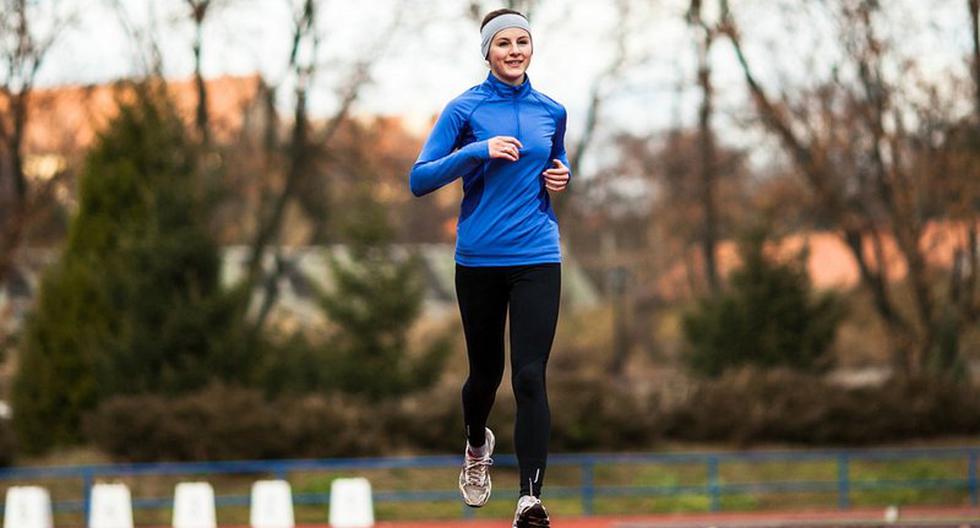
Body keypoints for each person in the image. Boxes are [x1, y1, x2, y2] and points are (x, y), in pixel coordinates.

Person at [409, 7, 570, 528]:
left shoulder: (553, 110)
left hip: (538, 256)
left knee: (529, 376)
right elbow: (420, 178)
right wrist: (477, 151)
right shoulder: (464, 110)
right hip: (478, 258)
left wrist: (560, 178)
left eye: (522, 41)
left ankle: (529, 498)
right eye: (503, 43)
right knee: (485, 375)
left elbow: (553, 164)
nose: (515, 50)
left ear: (532, 47)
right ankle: (477, 445)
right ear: (487, 51)